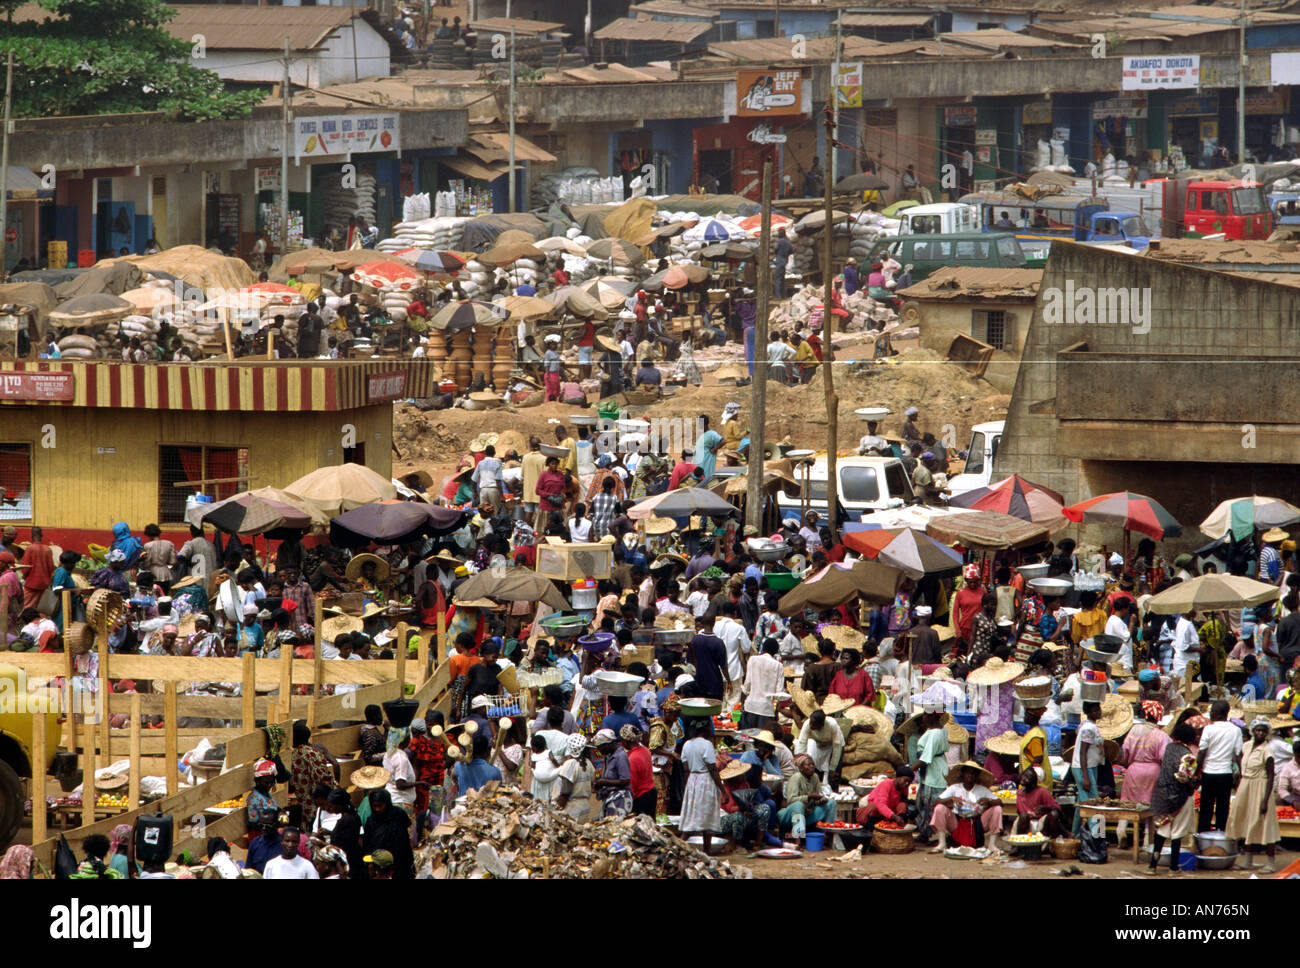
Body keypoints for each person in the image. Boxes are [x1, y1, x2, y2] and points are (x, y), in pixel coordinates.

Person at [1147, 721, 1201, 875]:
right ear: (1190, 738)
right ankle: (1173, 868)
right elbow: (1182, 776)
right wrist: (1192, 786)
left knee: (1162, 829)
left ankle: (1152, 865)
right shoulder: (1188, 756)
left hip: (1162, 795)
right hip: (1180, 797)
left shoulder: (1169, 748)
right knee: (1177, 831)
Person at [1227, 718, 1279, 872]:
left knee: (1265, 823)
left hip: (1261, 787)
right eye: (1258, 730)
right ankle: (1247, 860)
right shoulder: (1246, 746)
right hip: (1246, 785)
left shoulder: (1267, 751)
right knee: (1245, 820)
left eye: (1264, 731)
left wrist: (1265, 800)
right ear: (1253, 731)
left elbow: (1271, 776)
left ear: (1267, 733)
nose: (1260, 733)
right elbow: (1240, 759)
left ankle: (1270, 863)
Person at [930, 761, 1003, 851]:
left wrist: (989, 801)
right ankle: (942, 843)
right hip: (957, 821)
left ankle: (992, 845)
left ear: (976, 776)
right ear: (963, 774)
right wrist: (951, 799)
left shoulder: (982, 789)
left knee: (997, 809)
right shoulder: (954, 788)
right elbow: (937, 801)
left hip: (977, 823)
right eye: (968, 773)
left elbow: (1000, 802)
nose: (970, 776)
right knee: (939, 808)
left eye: (973, 773)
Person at [679, 720, 725, 855]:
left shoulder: (687, 744)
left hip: (692, 780)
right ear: (704, 729)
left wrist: (688, 788)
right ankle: (706, 851)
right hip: (705, 781)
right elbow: (712, 769)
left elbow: (686, 768)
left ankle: (681, 846)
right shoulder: (707, 745)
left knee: (692, 817)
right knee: (706, 818)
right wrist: (722, 790)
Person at [1196, 699, 1242, 832]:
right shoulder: (1236, 730)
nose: (1210, 713)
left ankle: (1203, 834)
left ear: (1218, 713)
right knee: (1223, 806)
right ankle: (1221, 833)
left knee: (1206, 807)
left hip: (1208, 773)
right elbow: (1238, 754)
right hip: (1225, 774)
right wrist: (1241, 775)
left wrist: (1196, 772)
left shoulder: (1208, 729)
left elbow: (1202, 752)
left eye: (1212, 711)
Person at [361, 789, 414, 879]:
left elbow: (405, 838)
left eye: (380, 806)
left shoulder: (399, 814)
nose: (377, 809)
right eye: (374, 806)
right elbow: (368, 843)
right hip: (381, 863)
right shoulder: (371, 821)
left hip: (400, 860)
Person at [1071, 700, 1105, 834]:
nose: (1098, 712)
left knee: (1083, 801)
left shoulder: (1090, 726)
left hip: (1090, 767)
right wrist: (1085, 777)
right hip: (1083, 768)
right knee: (1092, 804)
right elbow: (1082, 752)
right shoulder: (1088, 729)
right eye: (1095, 710)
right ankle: (1097, 836)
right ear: (1088, 712)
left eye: (1098, 709)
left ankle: (1075, 833)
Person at [1013, 767, 1064, 837]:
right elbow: (1019, 812)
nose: (1024, 779)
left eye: (1027, 777)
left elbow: (1058, 809)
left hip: (1042, 822)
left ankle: (1052, 842)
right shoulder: (1019, 793)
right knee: (1023, 816)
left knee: (1054, 814)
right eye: (1024, 776)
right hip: (1026, 821)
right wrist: (1028, 814)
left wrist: (1045, 808)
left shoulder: (1042, 791)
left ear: (1033, 782)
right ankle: (1021, 844)